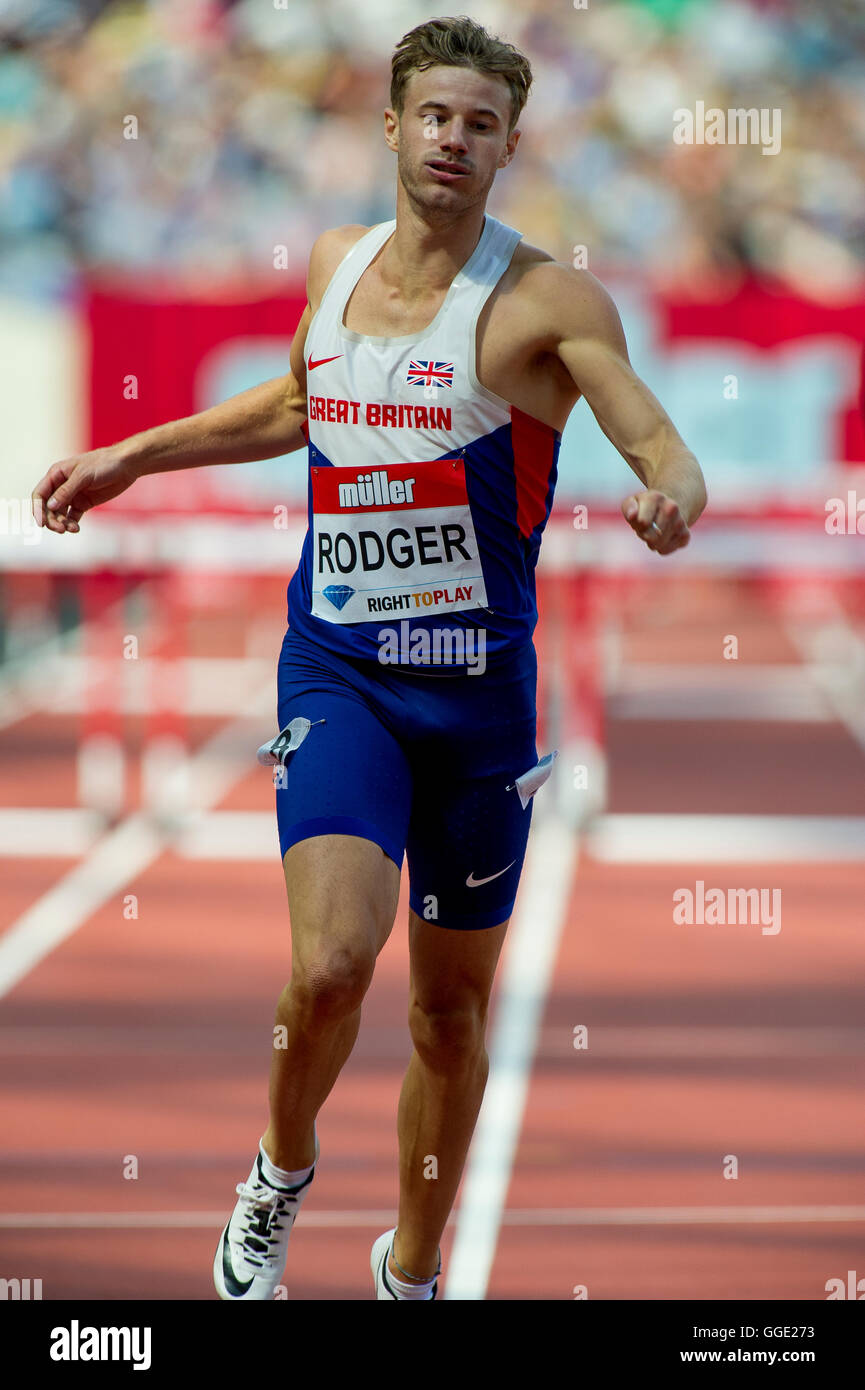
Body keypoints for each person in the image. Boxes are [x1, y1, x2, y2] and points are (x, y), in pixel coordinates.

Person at [32, 16, 706, 1300]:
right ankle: (278, 1177)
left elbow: (647, 429)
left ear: (512, 144)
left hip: (479, 704)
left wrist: (673, 487)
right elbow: (296, 405)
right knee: (330, 966)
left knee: (447, 1017)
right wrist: (132, 453)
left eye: (482, 123)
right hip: (340, 672)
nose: (455, 139)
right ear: (392, 126)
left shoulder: (547, 301)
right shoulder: (336, 265)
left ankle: (410, 1268)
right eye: (435, 116)